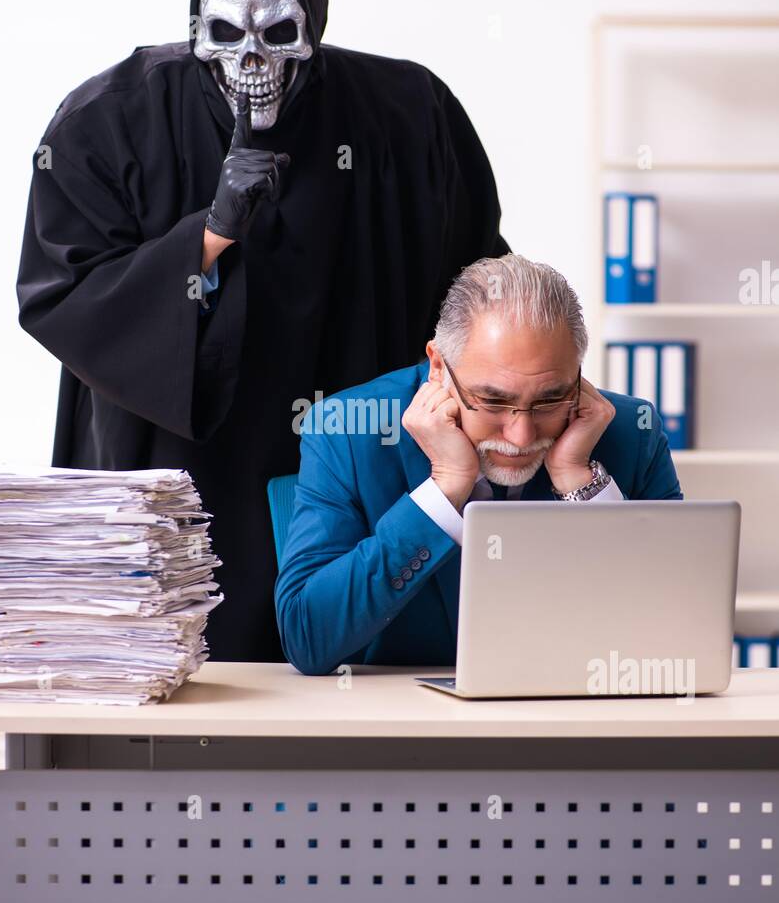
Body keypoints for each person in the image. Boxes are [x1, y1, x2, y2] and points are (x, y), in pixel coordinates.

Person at [16, 0, 509, 660]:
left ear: (311, 24)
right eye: (224, 35)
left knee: (354, 660)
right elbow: (61, 294)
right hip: (175, 458)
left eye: (279, 34)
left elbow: (476, 288)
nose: (252, 62)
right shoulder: (109, 119)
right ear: (193, 30)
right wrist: (207, 237)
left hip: (356, 455)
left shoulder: (409, 116)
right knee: (185, 678)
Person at [274, 253, 684, 675]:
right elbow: (308, 639)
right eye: (493, 401)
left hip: (577, 719)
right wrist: (444, 490)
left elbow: (682, 632)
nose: (521, 436)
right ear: (438, 367)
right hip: (401, 724)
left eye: (548, 400)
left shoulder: (632, 434)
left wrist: (582, 484)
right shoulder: (347, 430)